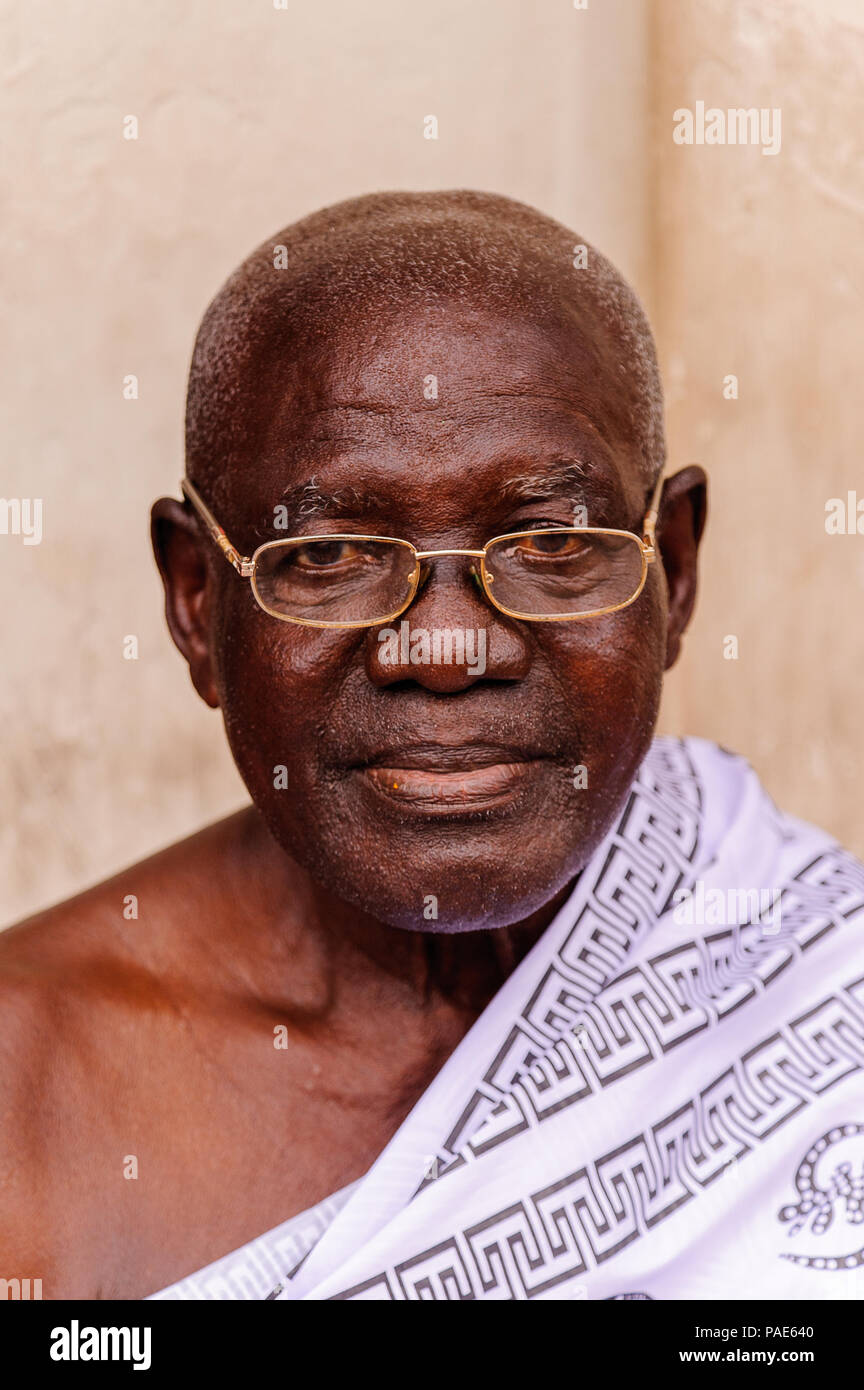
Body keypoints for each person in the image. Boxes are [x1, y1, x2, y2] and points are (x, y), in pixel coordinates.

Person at [1, 191, 862, 1302]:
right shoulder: (27, 1096)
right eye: (331, 554)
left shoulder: (815, 989)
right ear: (195, 599)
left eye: (551, 540)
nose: (447, 646)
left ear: (676, 571)